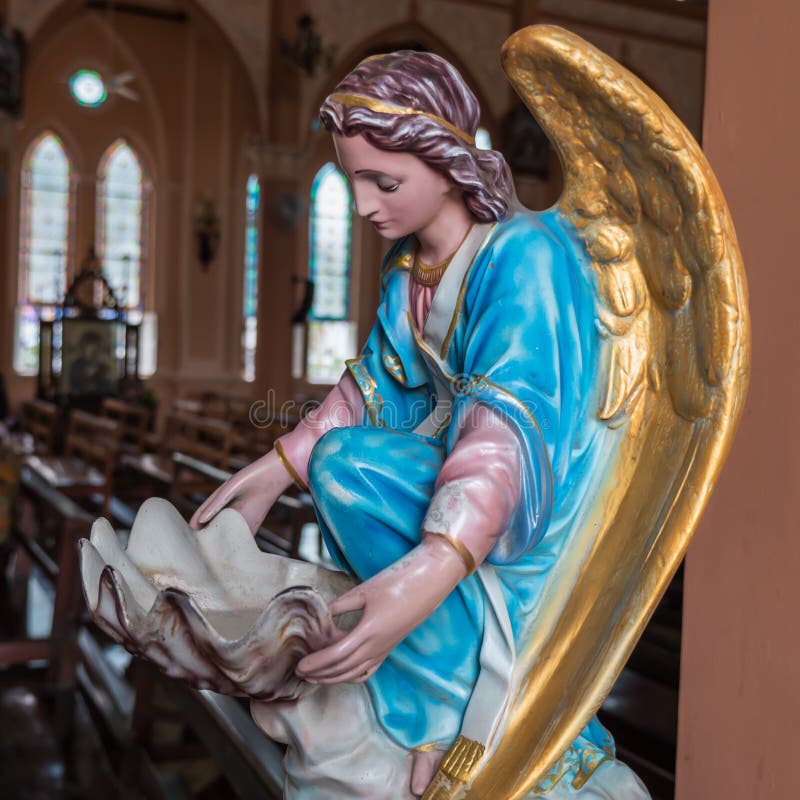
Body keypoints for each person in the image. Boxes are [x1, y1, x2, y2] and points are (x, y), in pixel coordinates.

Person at [191, 50, 649, 799]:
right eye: (355, 182)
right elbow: (375, 386)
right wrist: (280, 464)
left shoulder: (525, 255)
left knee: (354, 475)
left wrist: (434, 563)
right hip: (457, 490)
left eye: (385, 182)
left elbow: (509, 424)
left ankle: (463, 718)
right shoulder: (411, 270)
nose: (367, 205)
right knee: (340, 462)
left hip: (521, 516)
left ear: (447, 162)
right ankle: (420, 709)